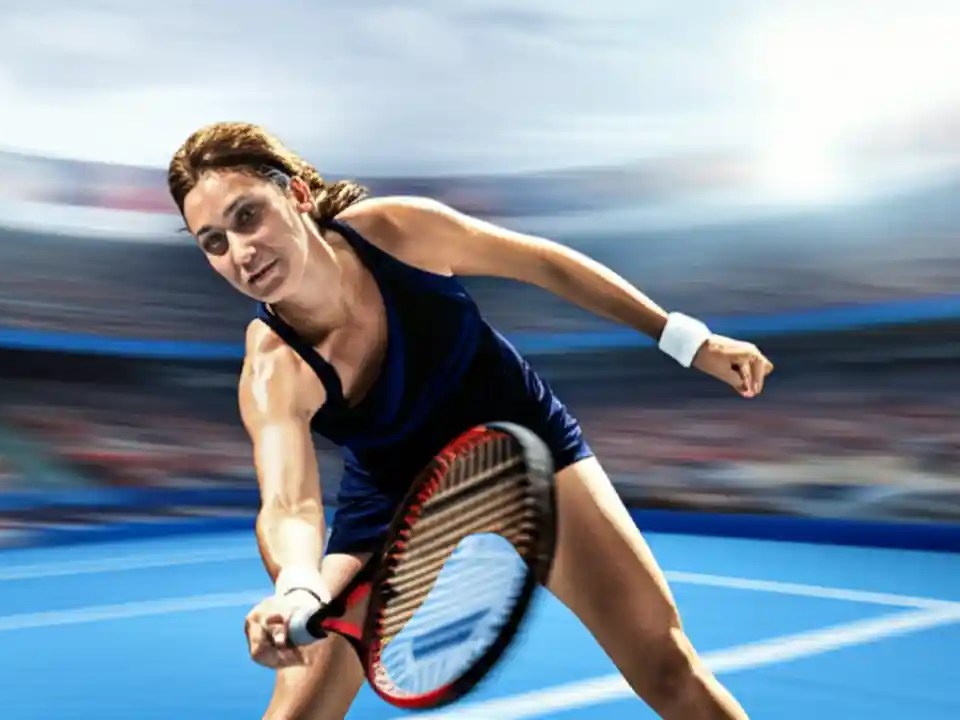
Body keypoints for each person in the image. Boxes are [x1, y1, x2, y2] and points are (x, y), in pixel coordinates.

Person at [168, 121, 770, 720]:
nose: (241, 252)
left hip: (527, 449)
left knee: (666, 667)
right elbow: (289, 503)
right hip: (396, 501)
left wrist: (686, 340)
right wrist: (299, 585)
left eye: (248, 216)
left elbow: (547, 265)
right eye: (214, 242)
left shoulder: (399, 231)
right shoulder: (273, 367)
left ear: (297, 194)